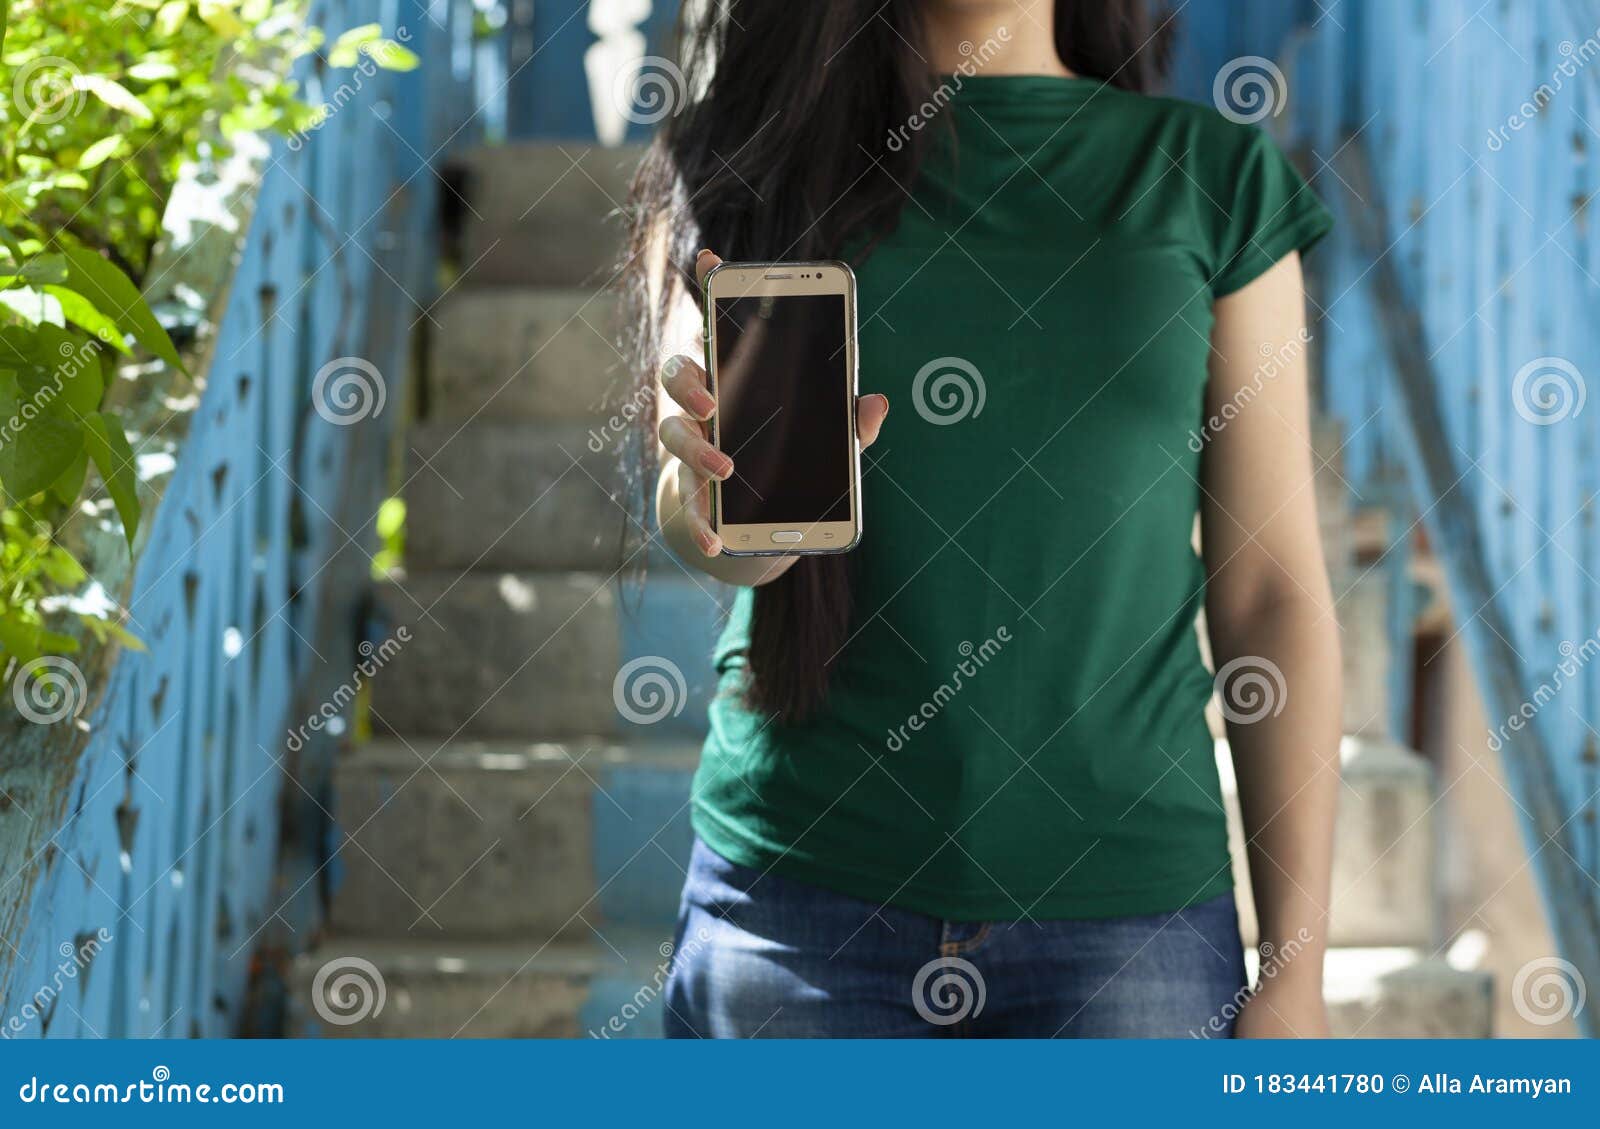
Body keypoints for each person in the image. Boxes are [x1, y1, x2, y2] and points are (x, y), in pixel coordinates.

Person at [623, 0, 1340, 1037]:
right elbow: (699, 499)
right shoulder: (738, 160)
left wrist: (1295, 972)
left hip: (1131, 922)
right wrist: (722, 508)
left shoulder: (1214, 178)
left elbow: (1270, 591)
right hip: (792, 910)